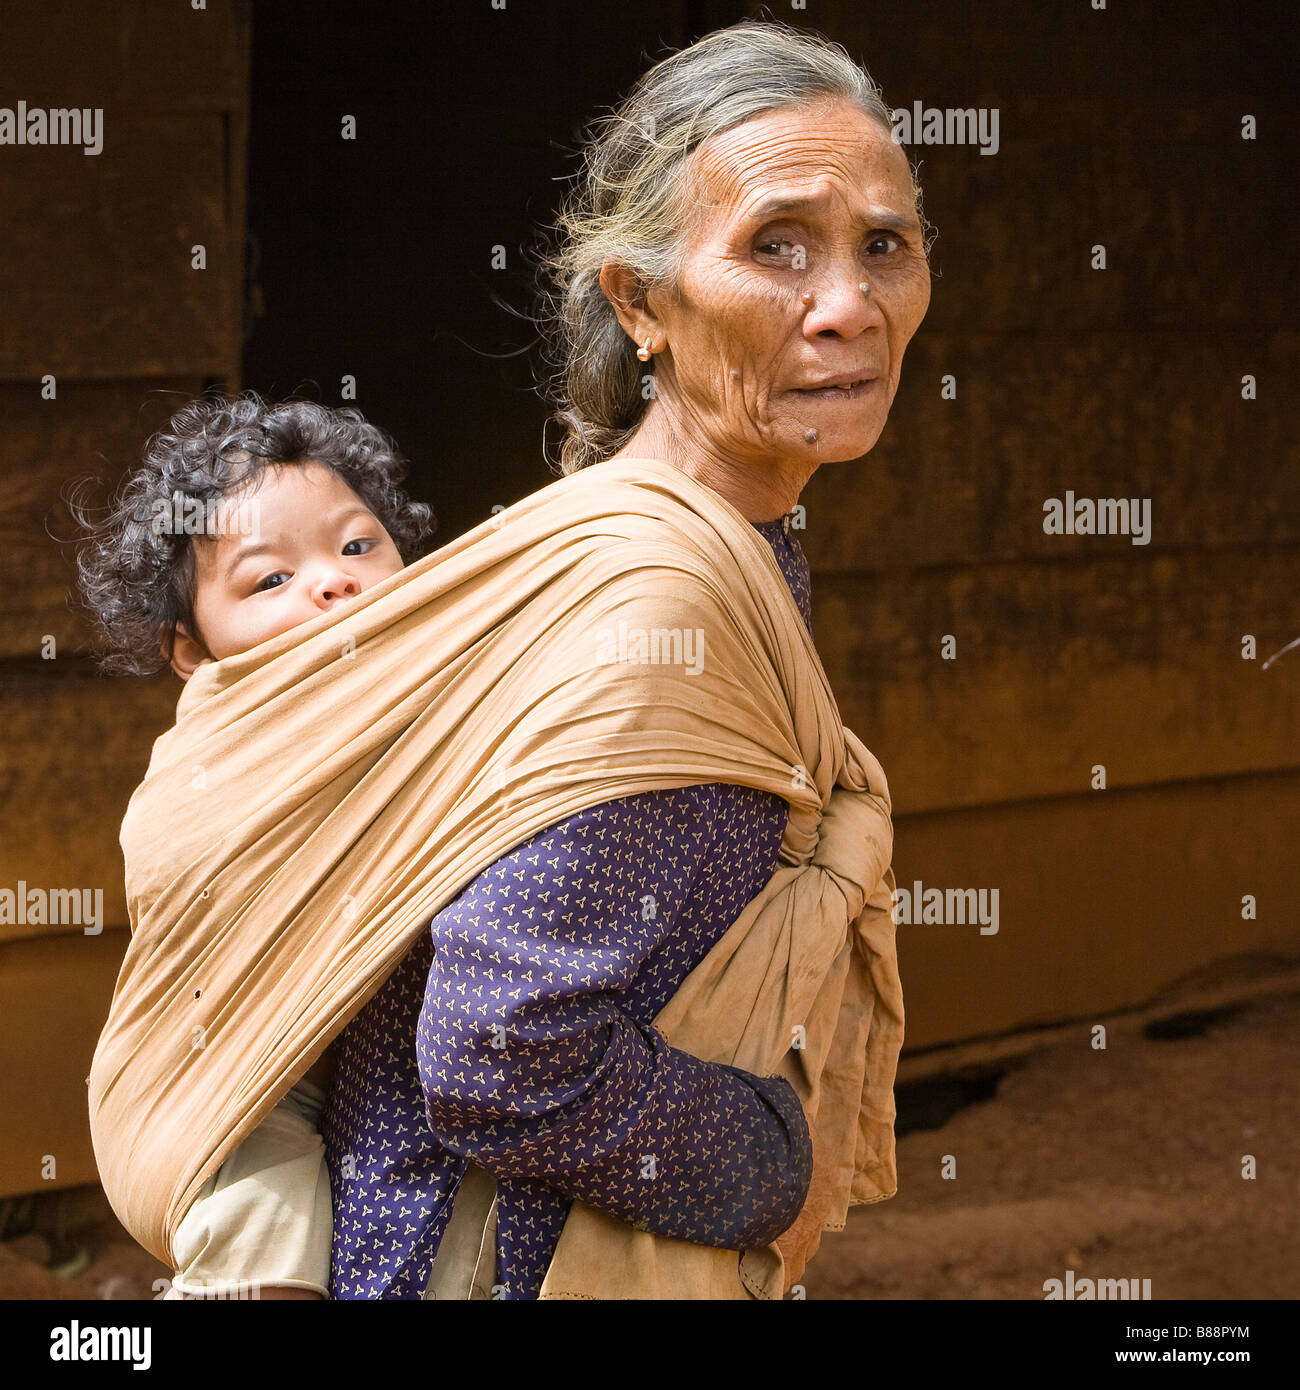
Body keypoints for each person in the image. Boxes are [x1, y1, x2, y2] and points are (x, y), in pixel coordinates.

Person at [323, 18, 930, 1299]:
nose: (849, 306)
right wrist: (776, 1163)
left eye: (884, 243)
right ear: (640, 301)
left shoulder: (709, 538)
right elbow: (499, 1050)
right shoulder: (659, 602)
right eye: (777, 246)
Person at [73, 393, 437, 1297]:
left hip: (382, 1053)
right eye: (269, 580)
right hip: (228, 1069)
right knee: (264, 1220)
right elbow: (182, 870)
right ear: (194, 652)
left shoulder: (442, 688)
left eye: (358, 546)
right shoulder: (211, 756)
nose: (331, 581)